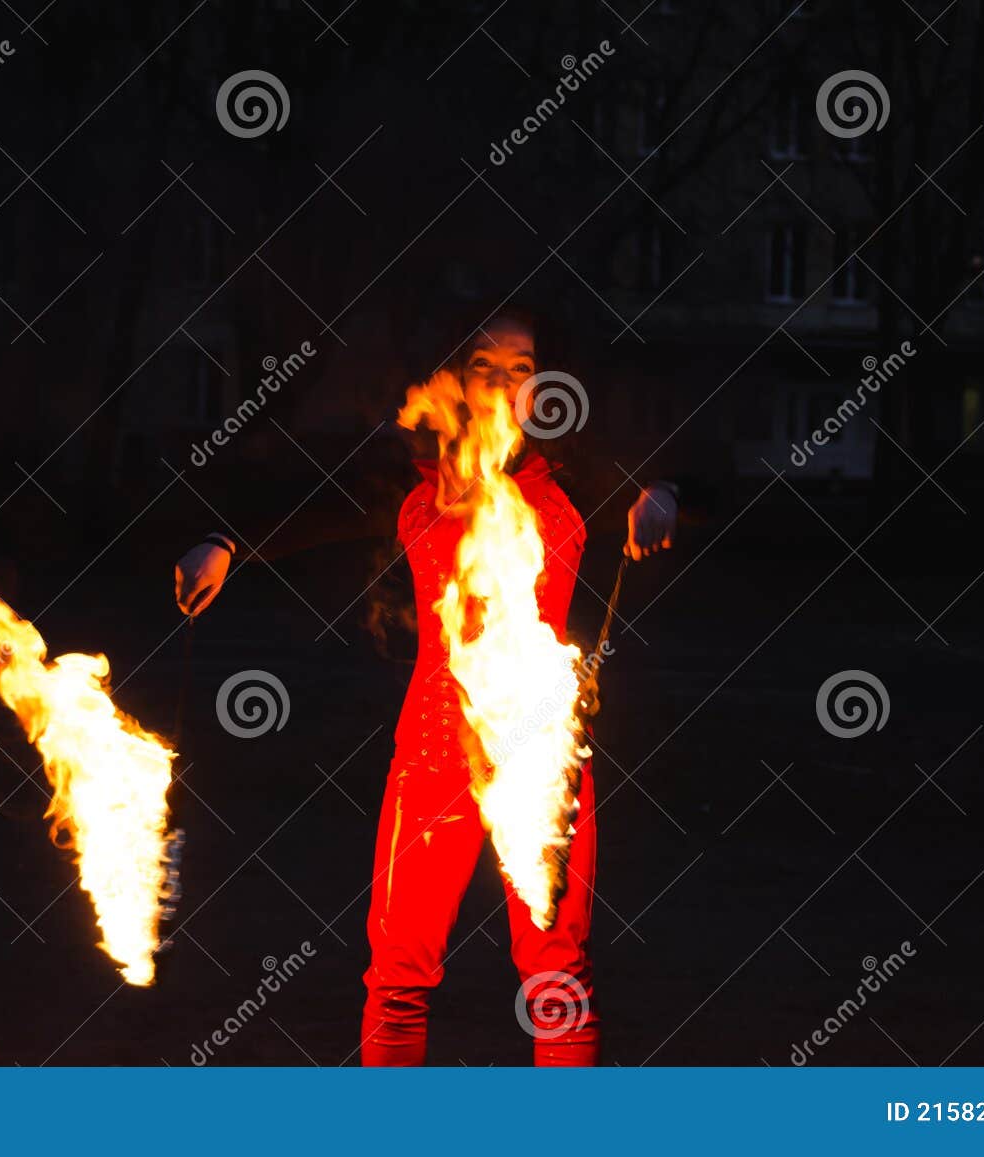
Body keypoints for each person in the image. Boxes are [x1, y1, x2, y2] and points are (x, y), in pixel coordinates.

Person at [173, 306, 681, 1065]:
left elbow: (666, 486)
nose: (502, 381)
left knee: (556, 971)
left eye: (521, 367)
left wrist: (661, 494)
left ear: (541, 382)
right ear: (456, 376)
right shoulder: (411, 483)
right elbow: (312, 507)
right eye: (484, 365)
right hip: (433, 749)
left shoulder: (574, 476)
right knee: (397, 974)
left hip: (539, 745)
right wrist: (224, 542)